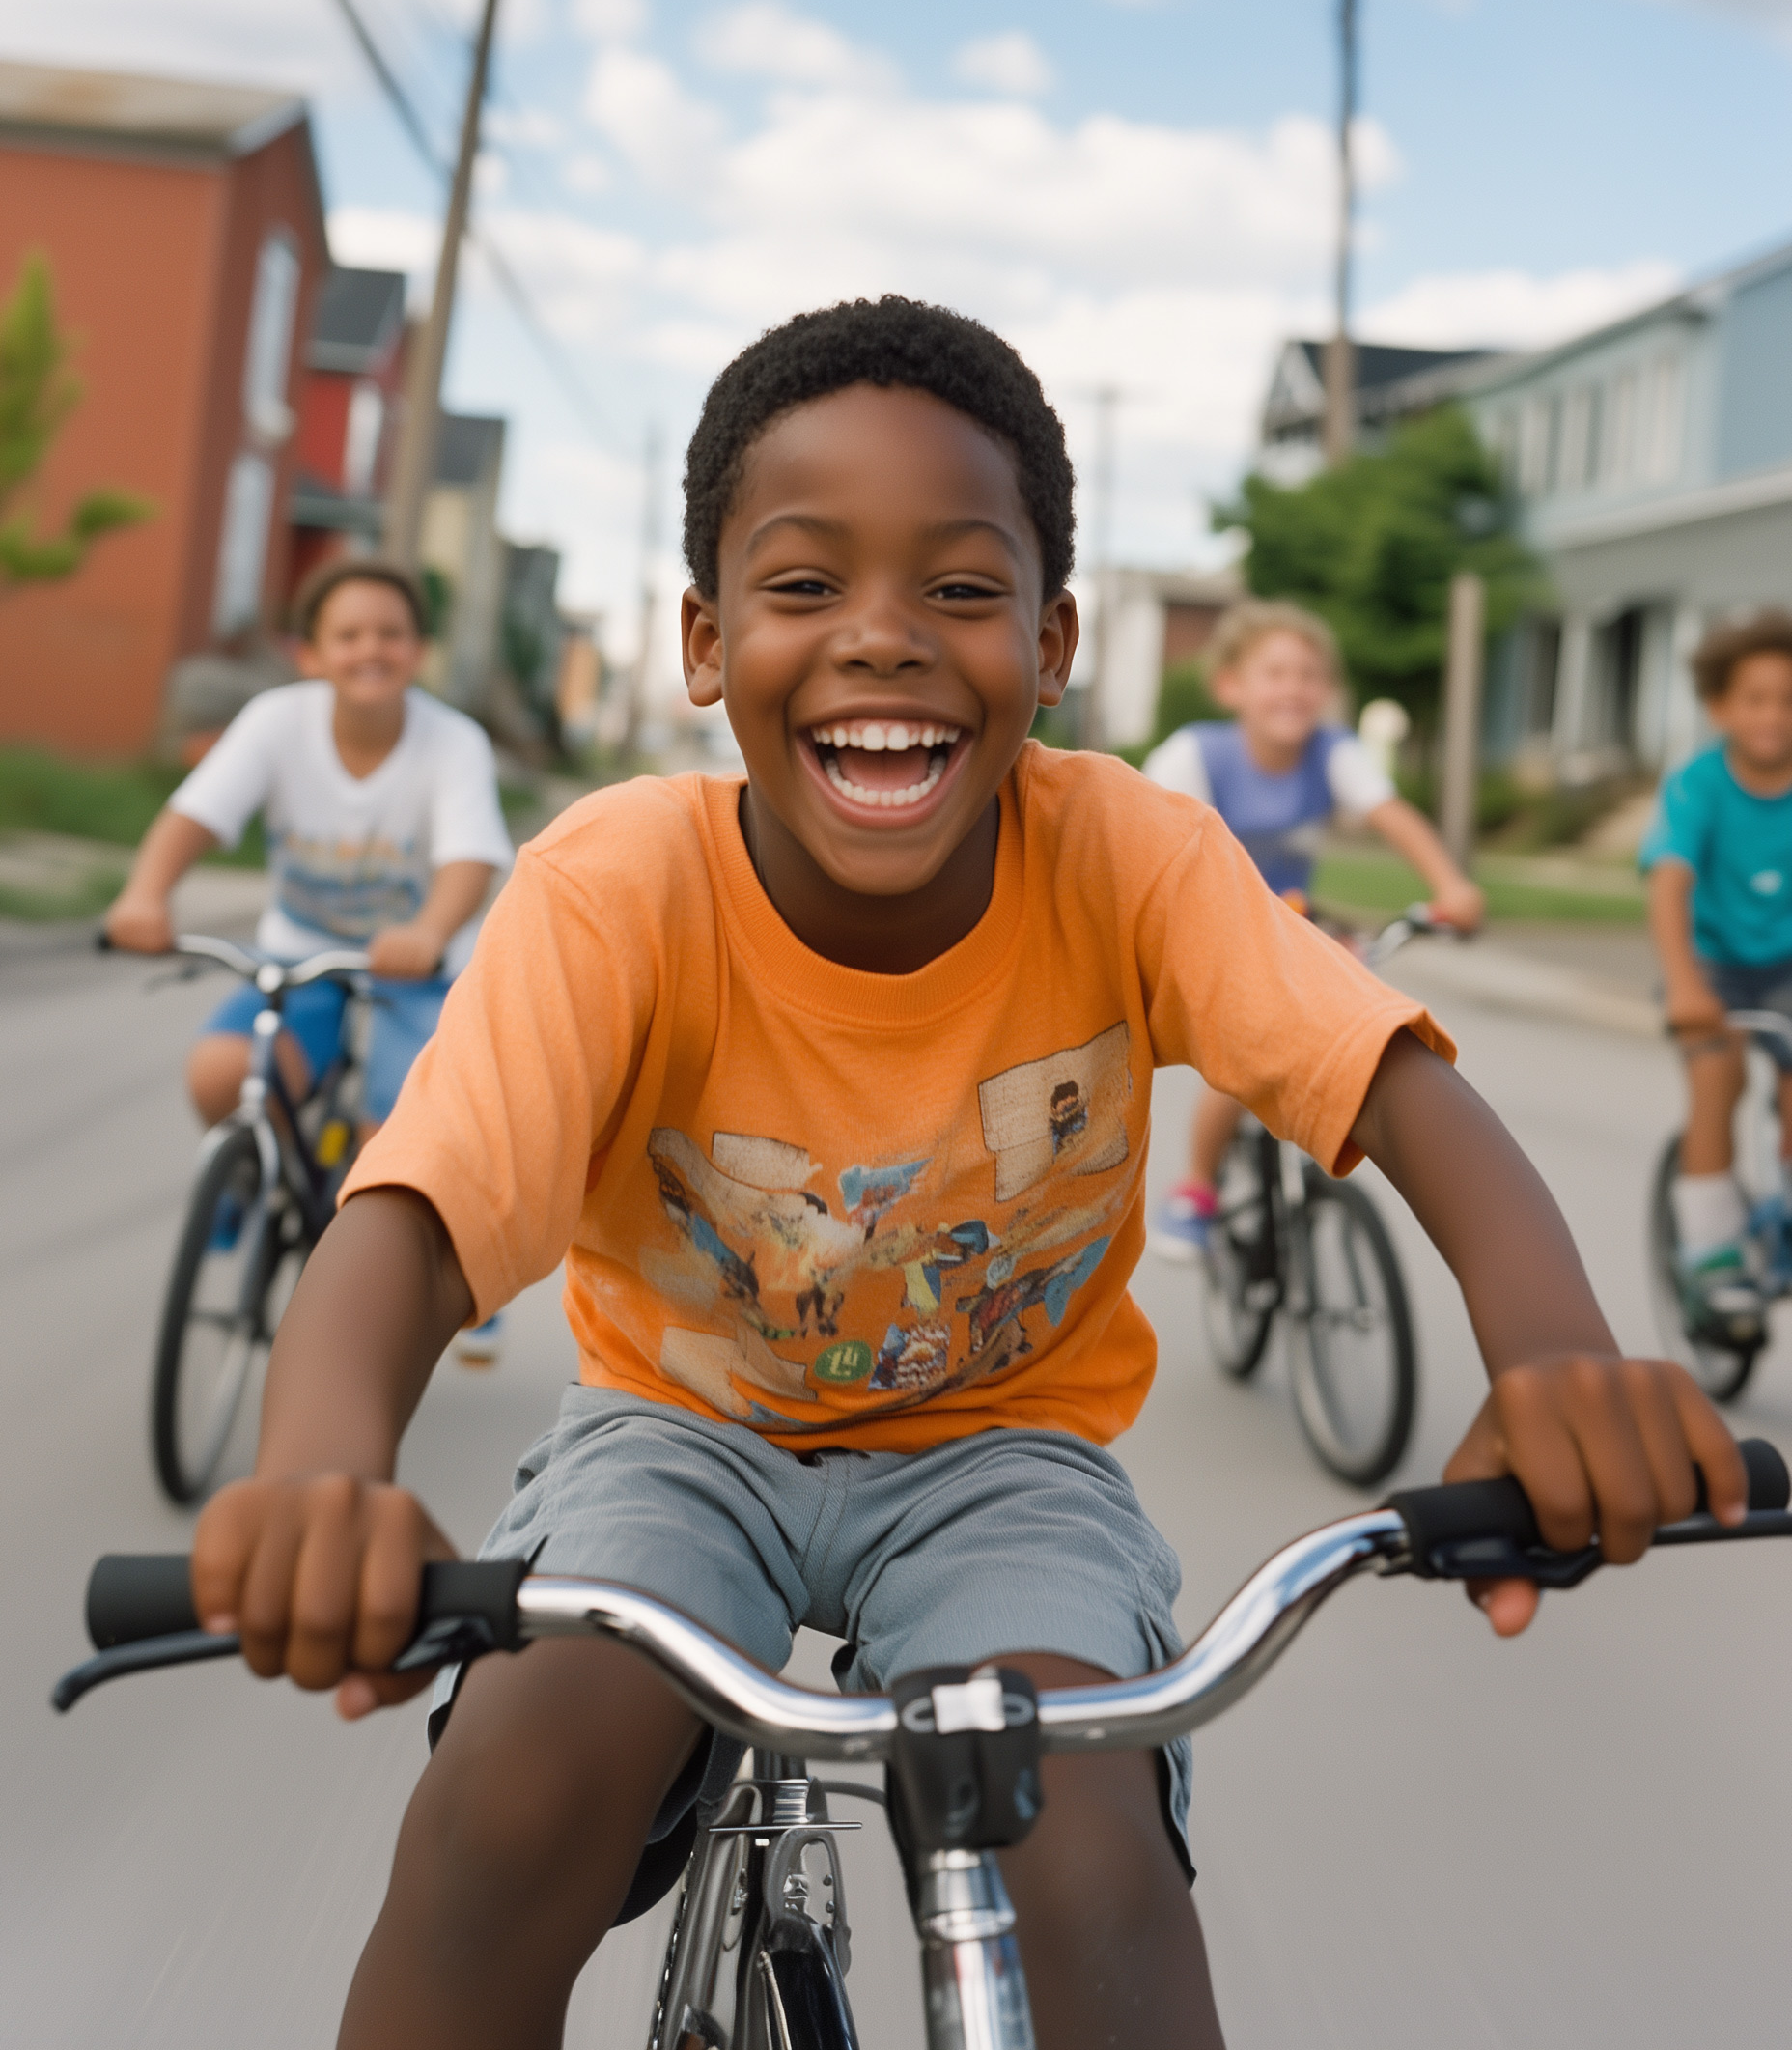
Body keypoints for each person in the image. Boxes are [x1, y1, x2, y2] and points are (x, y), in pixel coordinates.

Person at [185, 297, 1741, 2050]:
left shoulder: (1136, 859)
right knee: (508, 1802)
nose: (881, 640)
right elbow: (422, 1205)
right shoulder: (614, 884)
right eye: (800, 585)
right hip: (675, 1437)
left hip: (1006, 1455)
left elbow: (1388, 1079)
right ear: (702, 641)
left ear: (1052, 636)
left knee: (1088, 1871)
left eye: (958, 586)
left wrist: (1553, 1349)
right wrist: (320, 1462)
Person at [104, 556, 514, 1362]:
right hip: (298, 955)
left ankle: (446, 1266)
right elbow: (195, 815)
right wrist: (145, 895)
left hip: (412, 970)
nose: (371, 650)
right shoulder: (275, 722)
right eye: (348, 634)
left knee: (395, 1142)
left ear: (418, 649)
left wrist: (430, 930)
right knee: (221, 1073)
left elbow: (470, 858)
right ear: (311, 654)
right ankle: (255, 1180)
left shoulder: (451, 741)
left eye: (391, 634)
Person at [1142, 599, 1486, 1260]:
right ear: (1231, 686)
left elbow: (1392, 817)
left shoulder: (1333, 752)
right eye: (1275, 672)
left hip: (1294, 923)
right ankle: (1196, 1187)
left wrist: (1451, 886)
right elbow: (1137, 836)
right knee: (1242, 1062)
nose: (1294, 688)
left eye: (1309, 676)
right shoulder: (1197, 754)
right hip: (1212, 923)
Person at [1641, 608, 1792, 1341]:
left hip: (1786, 965)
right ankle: (1710, 1253)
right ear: (1721, 707)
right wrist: (1685, 985)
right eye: (1756, 699)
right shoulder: (1698, 785)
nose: (1774, 715)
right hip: (1711, 968)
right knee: (1717, 1078)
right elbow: (1669, 883)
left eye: (1789, 700)